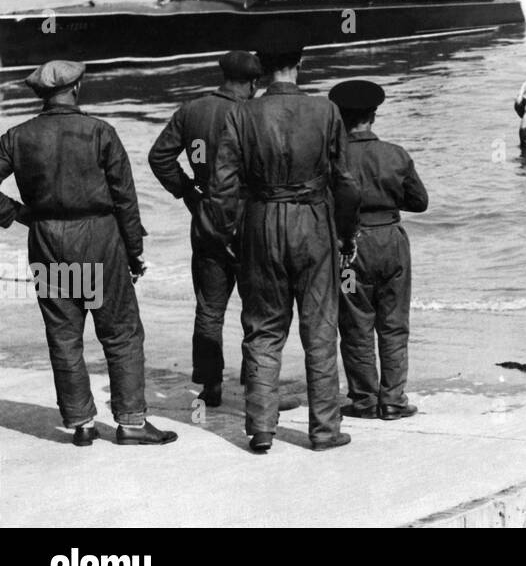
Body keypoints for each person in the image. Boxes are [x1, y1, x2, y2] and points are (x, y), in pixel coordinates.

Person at [0, 61, 177, 447]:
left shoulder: (17, 136)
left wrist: (16, 213)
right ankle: (131, 422)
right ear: (76, 89)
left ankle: (81, 423)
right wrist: (135, 252)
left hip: (47, 240)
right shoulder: (101, 132)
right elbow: (125, 199)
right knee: (120, 331)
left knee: (64, 334)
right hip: (98, 238)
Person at [209, 23, 361, 453]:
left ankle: (260, 429)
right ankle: (325, 431)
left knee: (263, 329)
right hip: (313, 223)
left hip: (260, 222)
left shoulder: (241, 112)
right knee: (319, 329)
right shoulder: (326, 111)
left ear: (261, 67)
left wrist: (226, 234)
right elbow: (347, 184)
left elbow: (222, 188)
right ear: (301, 62)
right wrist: (346, 234)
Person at [147, 50, 263, 409]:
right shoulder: (254, 113)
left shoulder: (191, 110)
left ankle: (210, 386)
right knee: (256, 309)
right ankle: (255, 386)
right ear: (254, 82)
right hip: (250, 219)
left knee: (210, 309)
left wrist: (188, 191)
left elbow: (159, 157)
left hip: (206, 218)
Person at [328, 80, 428, 421]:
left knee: (355, 323)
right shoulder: (395, 154)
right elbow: (420, 201)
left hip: (349, 249)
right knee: (394, 324)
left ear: (340, 117)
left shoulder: (331, 158)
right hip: (392, 243)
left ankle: (364, 400)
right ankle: (393, 401)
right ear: (374, 114)